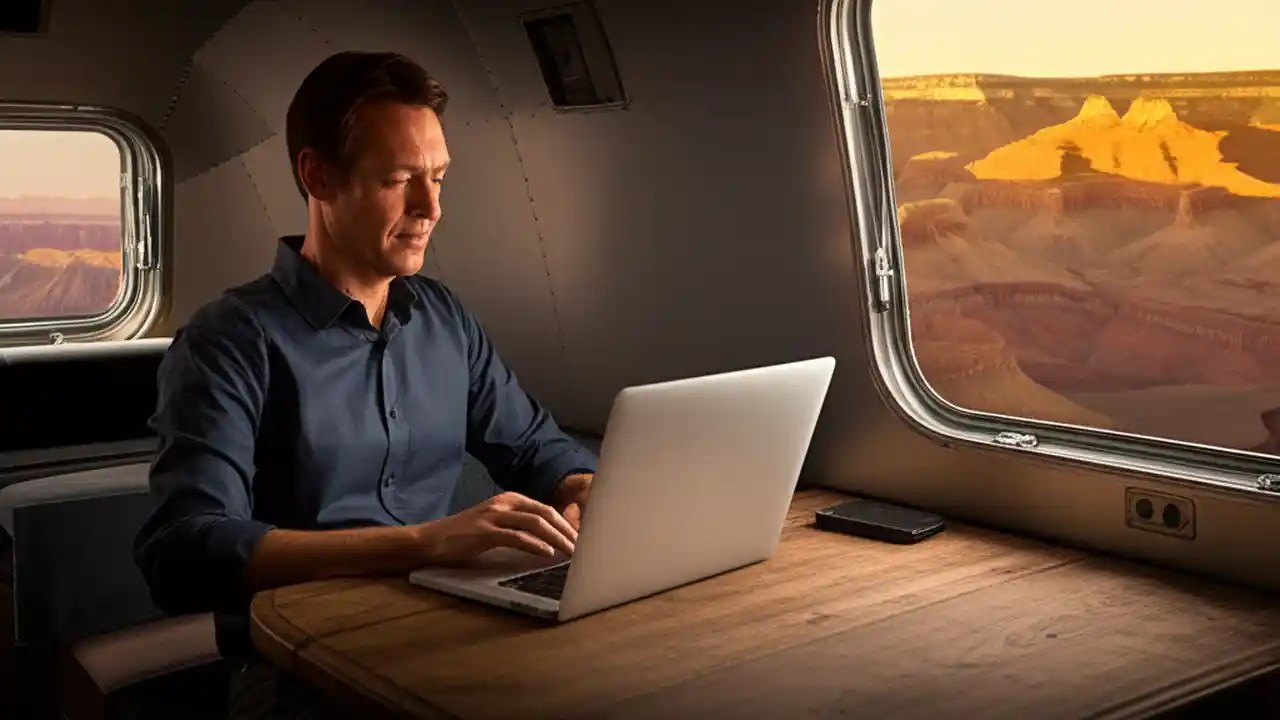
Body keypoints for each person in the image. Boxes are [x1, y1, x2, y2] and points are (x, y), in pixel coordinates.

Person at [133, 51, 597, 718]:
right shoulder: (228, 341)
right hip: (297, 668)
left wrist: (585, 494)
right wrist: (423, 544)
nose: (430, 207)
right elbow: (182, 553)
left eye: (438, 178)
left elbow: (537, 447)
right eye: (401, 179)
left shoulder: (446, 320)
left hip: (448, 638)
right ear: (317, 175)